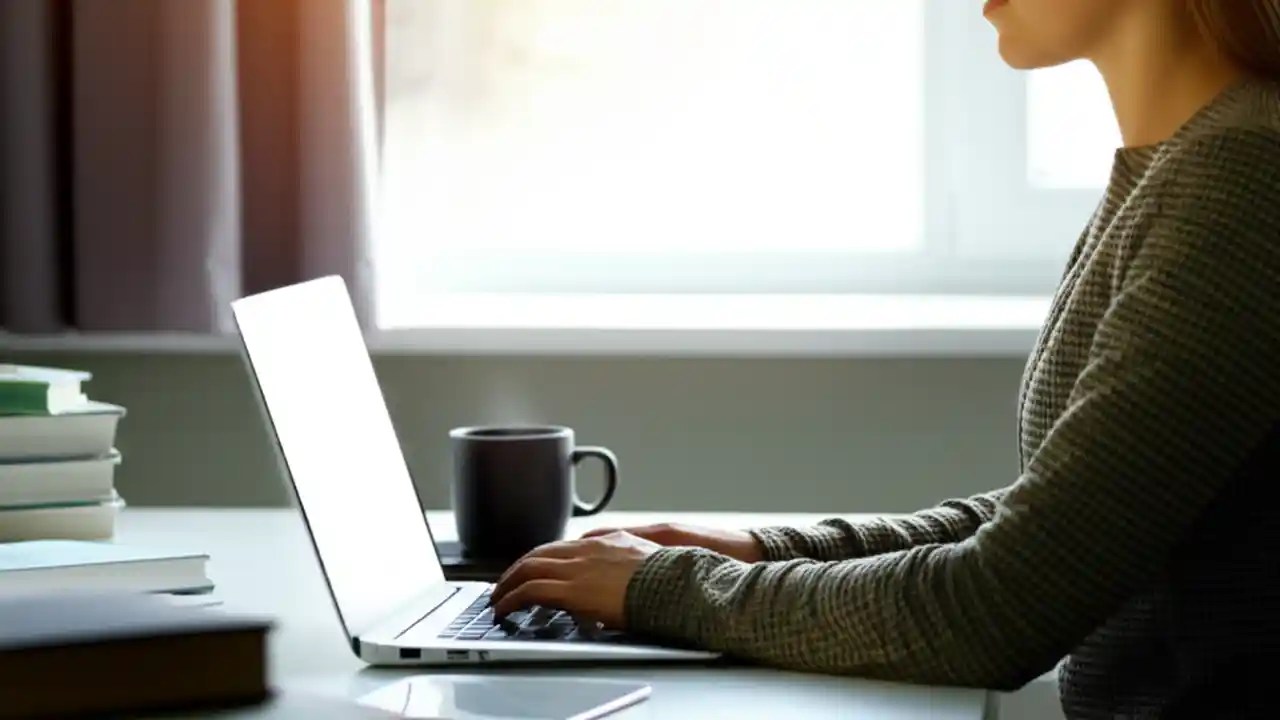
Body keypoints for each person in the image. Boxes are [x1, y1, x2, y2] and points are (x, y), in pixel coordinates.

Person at [490, 1, 1280, 716]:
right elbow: (1067, 523)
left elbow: (997, 610)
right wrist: (766, 549)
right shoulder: (1189, 161)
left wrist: (665, 590)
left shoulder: (1238, 181)